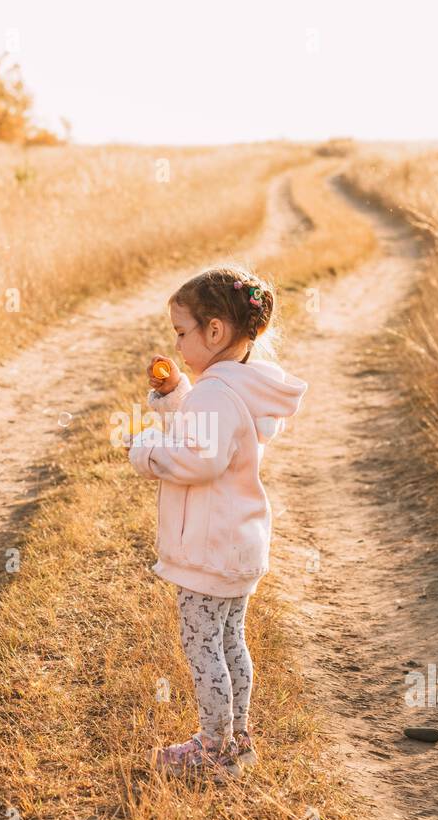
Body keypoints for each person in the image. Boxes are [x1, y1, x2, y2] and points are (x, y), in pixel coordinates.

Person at [128, 266, 307, 778]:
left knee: (201, 645)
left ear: (214, 331)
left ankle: (214, 747)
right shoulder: (241, 386)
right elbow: (212, 434)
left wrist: (145, 450)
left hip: (208, 548)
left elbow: (196, 459)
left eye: (183, 332)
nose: (178, 343)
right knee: (229, 642)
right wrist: (178, 393)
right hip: (238, 544)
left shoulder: (216, 393)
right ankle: (238, 740)